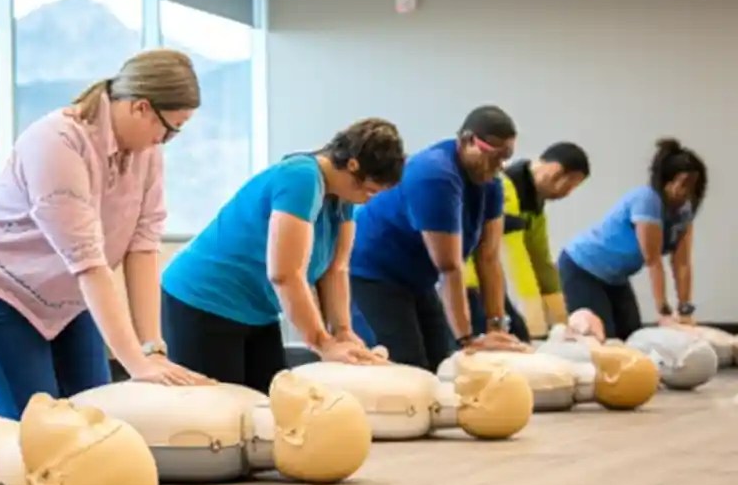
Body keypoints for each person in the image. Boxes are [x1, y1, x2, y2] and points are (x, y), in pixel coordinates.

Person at [0, 48, 213, 419]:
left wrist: (151, 348)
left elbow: (143, 246)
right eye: (170, 130)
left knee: (94, 417)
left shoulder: (146, 151)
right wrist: (136, 364)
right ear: (141, 108)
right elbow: (89, 262)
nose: (165, 141)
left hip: (68, 301)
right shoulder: (57, 140)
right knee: (42, 423)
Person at [159, 118, 404, 391]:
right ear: (352, 166)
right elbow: (285, 274)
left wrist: (343, 332)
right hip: (204, 299)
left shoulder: (344, 197)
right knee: (220, 412)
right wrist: (322, 343)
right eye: (370, 190)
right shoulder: (301, 177)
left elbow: (336, 269)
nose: (370, 199)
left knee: (271, 401)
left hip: (257, 309)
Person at [348, 106, 529, 372]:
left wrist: (495, 327)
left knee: (439, 364)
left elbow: (488, 257)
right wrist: (467, 341)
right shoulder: (435, 175)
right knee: (407, 367)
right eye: (493, 156)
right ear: (467, 141)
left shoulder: (491, 183)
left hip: (419, 278)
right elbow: (450, 266)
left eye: (506, 158)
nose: (498, 167)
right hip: (373, 271)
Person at [558, 138, 705, 340]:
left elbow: (682, 263)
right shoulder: (647, 200)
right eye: (683, 184)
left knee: (632, 337)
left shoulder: (684, 211)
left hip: (615, 278)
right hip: (583, 267)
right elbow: (653, 260)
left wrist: (685, 309)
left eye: (694, 186)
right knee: (602, 337)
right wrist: (664, 311)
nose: (688, 192)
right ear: (666, 181)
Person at [464, 142, 590, 342]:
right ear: (556, 172)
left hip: (495, 287)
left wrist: (559, 316)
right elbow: (513, 258)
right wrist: (535, 319)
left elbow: (540, 258)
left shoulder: (535, 206)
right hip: (472, 284)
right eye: (571, 184)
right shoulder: (504, 188)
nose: (568, 193)